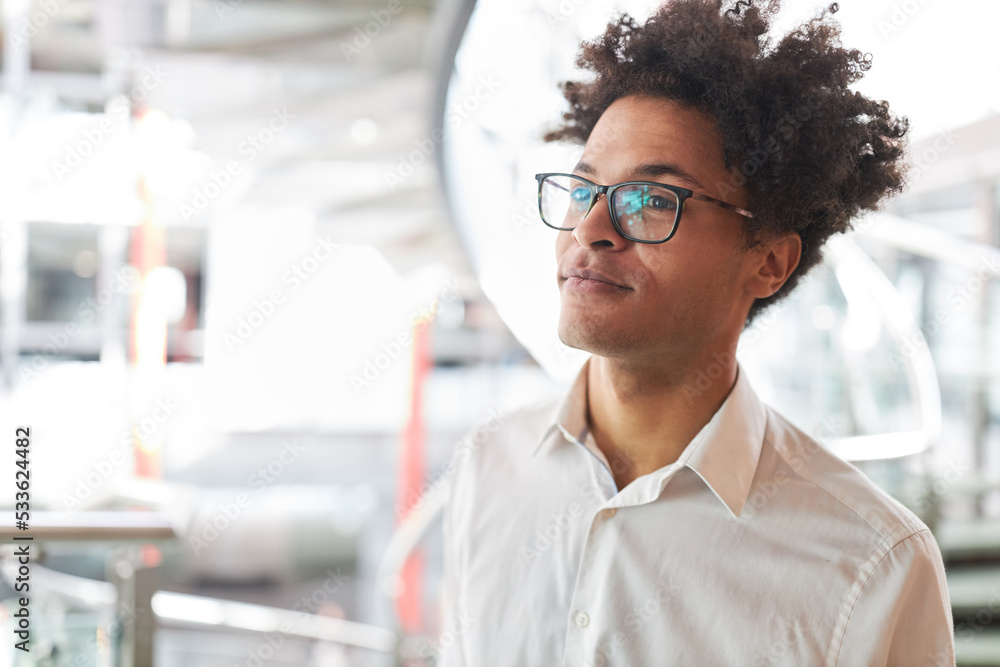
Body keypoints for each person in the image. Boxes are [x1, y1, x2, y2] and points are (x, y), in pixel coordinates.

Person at [438, 1, 955, 665]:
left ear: (768, 260)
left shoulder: (871, 565)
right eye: (584, 187)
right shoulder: (489, 466)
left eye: (653, 200)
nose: (591, 229)